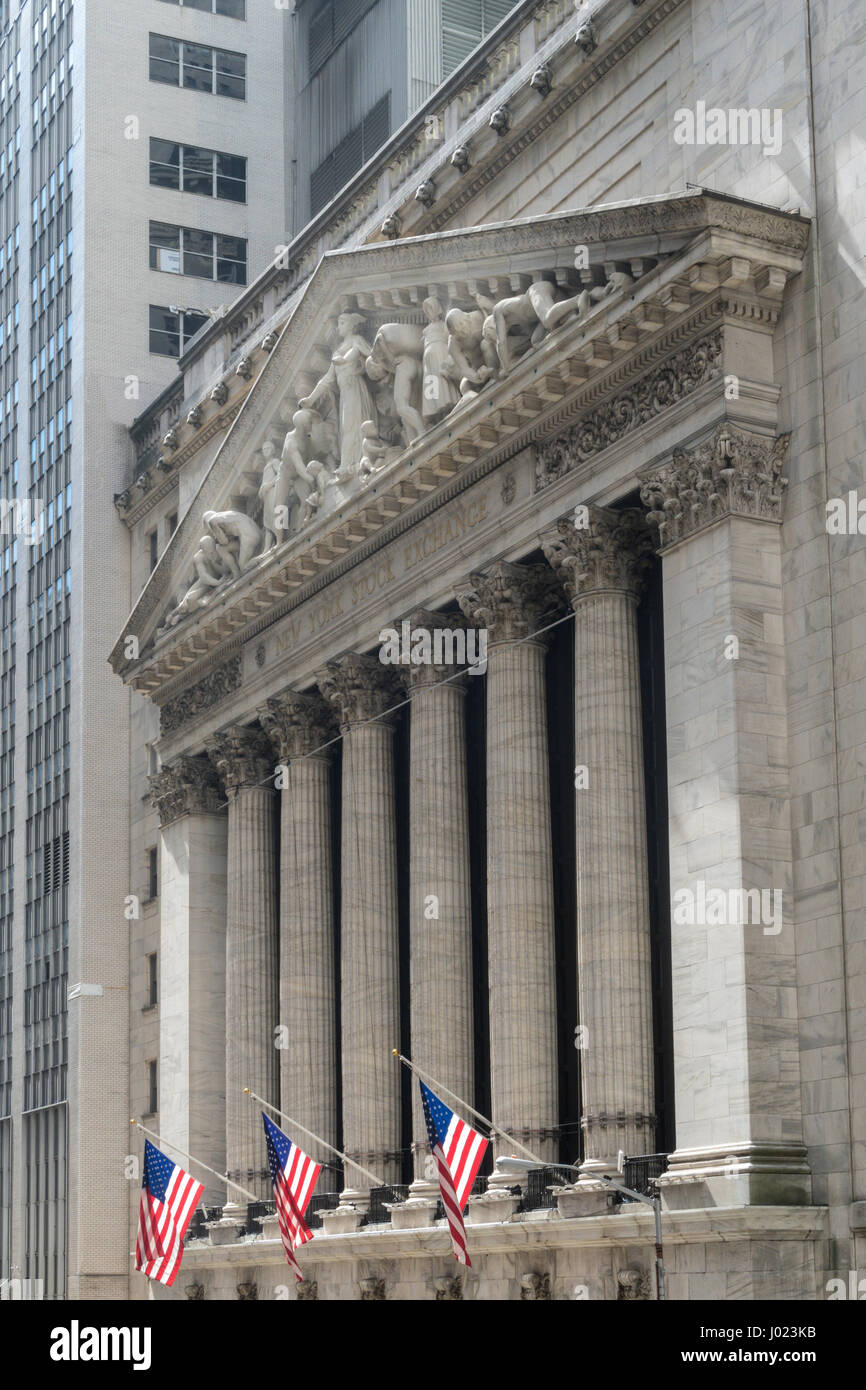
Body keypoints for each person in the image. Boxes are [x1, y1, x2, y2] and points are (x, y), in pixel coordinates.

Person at [299, 312, 376, 476]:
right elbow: (327, 379)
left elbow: (370, 355)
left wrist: (347, 360)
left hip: (354, 387)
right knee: (346, 427)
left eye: (342, 323)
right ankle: (349, 462)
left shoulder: (356, 340)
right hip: (345, 393)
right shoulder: (338, 351)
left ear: (351, 325)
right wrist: (310, 399)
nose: (338, 327)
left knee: (352, 424)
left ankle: (354, 461)